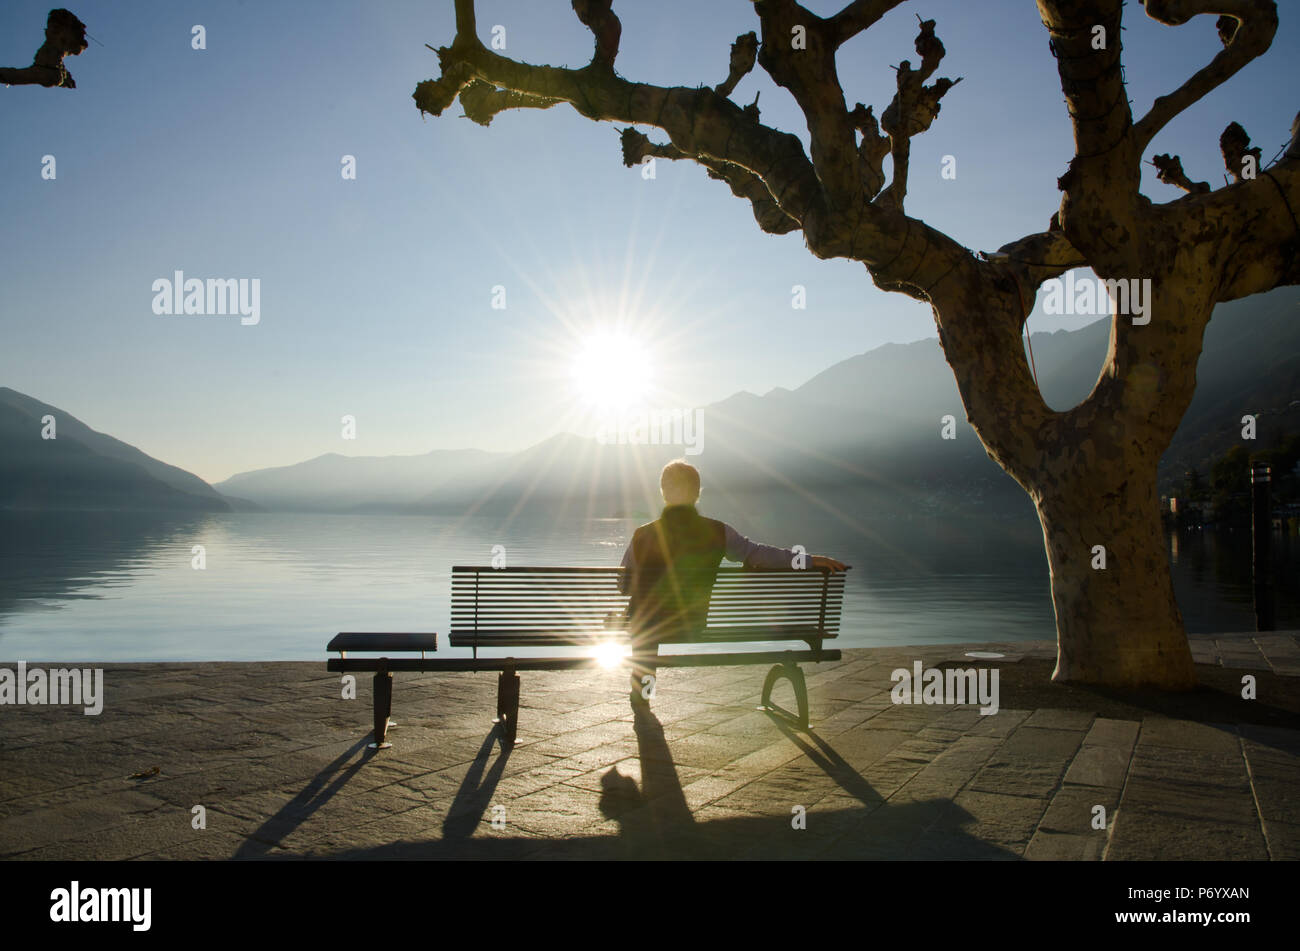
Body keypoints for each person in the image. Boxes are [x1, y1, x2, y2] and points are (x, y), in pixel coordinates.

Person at [618, 459, 847, 700]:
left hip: (647, 626)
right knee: (649, 615)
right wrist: (808, 560)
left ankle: (642, 693)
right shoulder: (718, 531)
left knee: (642, 617)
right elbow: (758, 554)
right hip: (692, 625)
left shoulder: (643, 535)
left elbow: (623, 587)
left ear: (663, 492)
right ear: (697, 493)